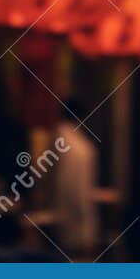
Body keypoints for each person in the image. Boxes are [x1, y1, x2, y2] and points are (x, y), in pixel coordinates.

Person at [51, 102, 100, 259]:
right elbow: (81, 194)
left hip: (60, 227)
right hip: (75, 232)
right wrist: (87, 235)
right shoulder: (80, 148)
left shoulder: (59, 143)